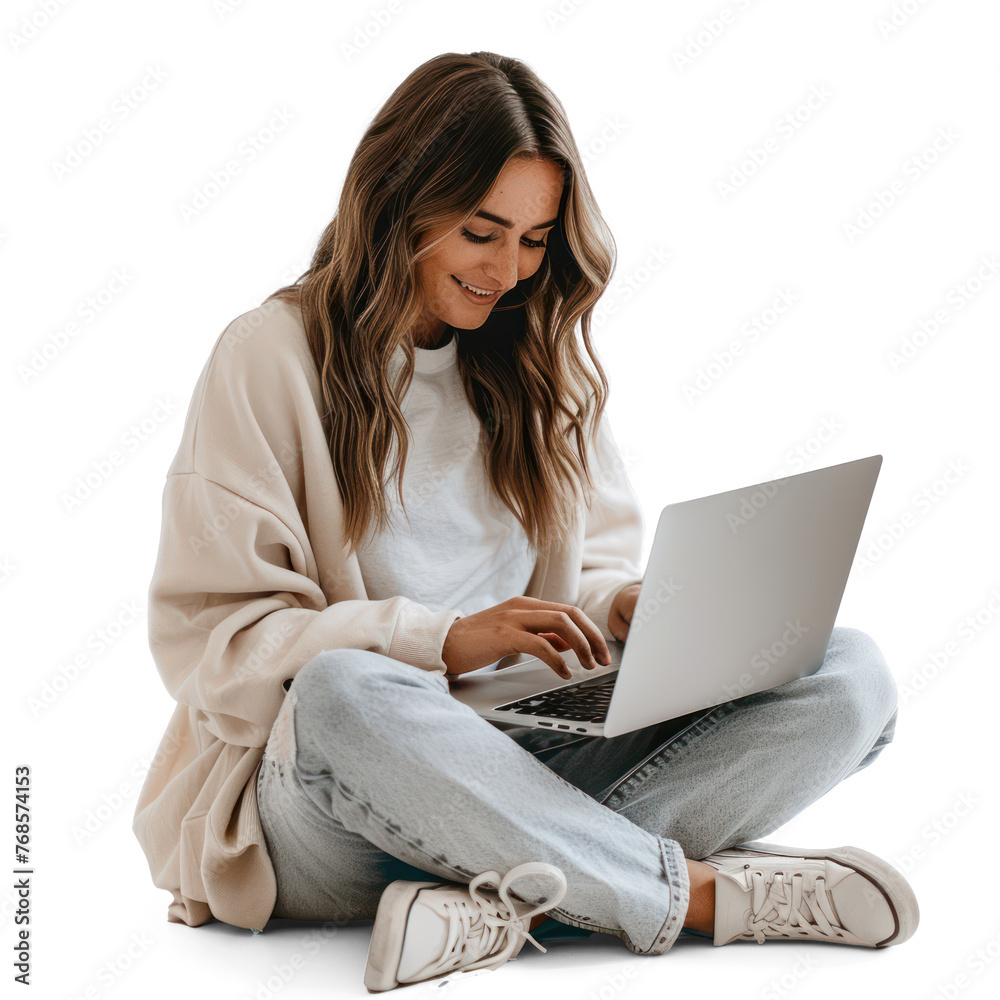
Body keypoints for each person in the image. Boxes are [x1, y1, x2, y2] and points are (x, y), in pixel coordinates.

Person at [132, 50, 918, 993]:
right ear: (400, 203)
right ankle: (700, 898)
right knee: (344, 690)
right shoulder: (271, 356)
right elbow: (216, 646)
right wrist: (445, 641)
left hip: (532, 753)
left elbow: (583, 576)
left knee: (849, 672)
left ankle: (502, 896)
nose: (509, 272)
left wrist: (626, 607)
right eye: (482, 233)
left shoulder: (542, 365)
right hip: (338, 787)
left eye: (537, 240)